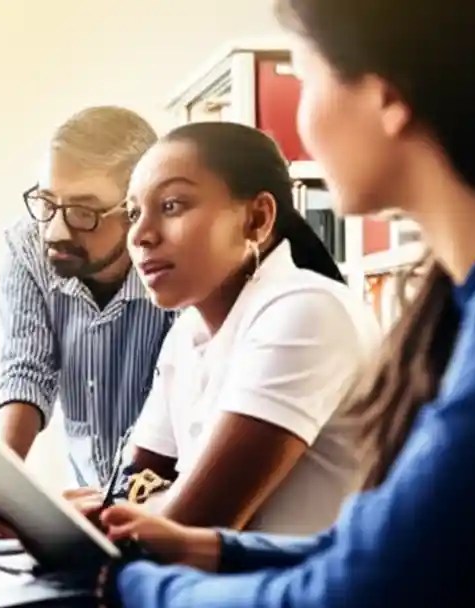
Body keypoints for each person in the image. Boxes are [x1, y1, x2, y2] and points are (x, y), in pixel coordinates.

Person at [90, 0, 475, 608]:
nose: (299, 117)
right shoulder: (457, 316)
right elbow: (383, 553)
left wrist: (122, 584)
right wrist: (208, 551)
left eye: (304, 75)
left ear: (387, 94)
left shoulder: (377, 319)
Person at [113, 121, 379, 534]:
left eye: (172, 205)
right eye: (133, 213)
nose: (141, 235)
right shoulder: (185, 334)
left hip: (306, 593)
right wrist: (49, 517)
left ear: (257, 219)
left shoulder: (307, 310)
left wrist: (116, 510)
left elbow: (191, 529)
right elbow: (130, 488)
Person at [0, 107, 174, 534]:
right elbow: (27, 369)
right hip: (92, 505)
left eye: (83, 211)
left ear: (136, 210)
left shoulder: (175, 267)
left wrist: (105, 507)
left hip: (167, 505)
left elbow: (176, 413)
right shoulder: (28, 244)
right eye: (47, 203)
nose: (55, 232)